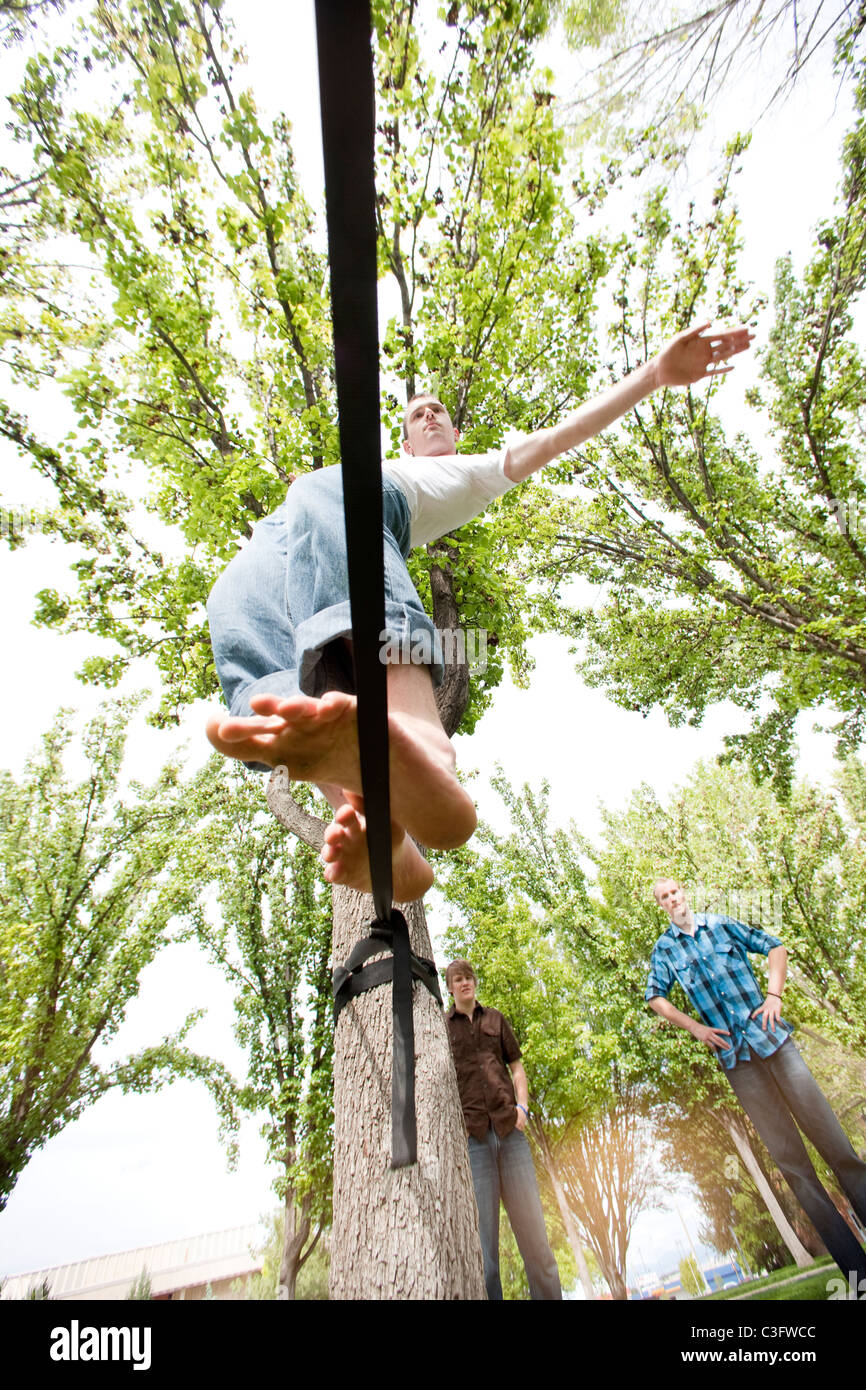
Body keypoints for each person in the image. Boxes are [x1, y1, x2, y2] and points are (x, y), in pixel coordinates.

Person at [206, 324, 752, 900]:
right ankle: (376, 829)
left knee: (329, 487)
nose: (429, 415)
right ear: (405, 444)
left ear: (455, 433)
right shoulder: (338, 487)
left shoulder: (470, 470)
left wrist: (653, 376)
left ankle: (420, 735)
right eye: (417, 416)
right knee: (231, 596)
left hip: (351, 498)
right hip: (286, 533)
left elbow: (556, 439)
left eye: (438, 411)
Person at [646, 878, 866, 1282]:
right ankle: (859, 1276)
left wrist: (774, 996)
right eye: (664, 897)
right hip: (739, 1062)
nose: (672, 899)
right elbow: (656, 997)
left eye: (675, 892)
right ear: (661, 905)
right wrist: (696, 1028)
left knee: (836, 1145)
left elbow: (775, 947)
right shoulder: (665, 950)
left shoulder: (721, 924)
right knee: (794, 1167)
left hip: (775, 1043)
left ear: (685, 893)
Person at [444, 958, 562, 1300]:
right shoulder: (443, 1028)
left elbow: (517, 1067)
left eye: (469, 977)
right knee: (485, 1253)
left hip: (511, 1136)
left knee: (536, 1239)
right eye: (458, 979)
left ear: (475, 982)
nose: (465, 982)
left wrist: (522, 1107)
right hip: (475, 1142)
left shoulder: (496, 1019)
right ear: (450, 988)